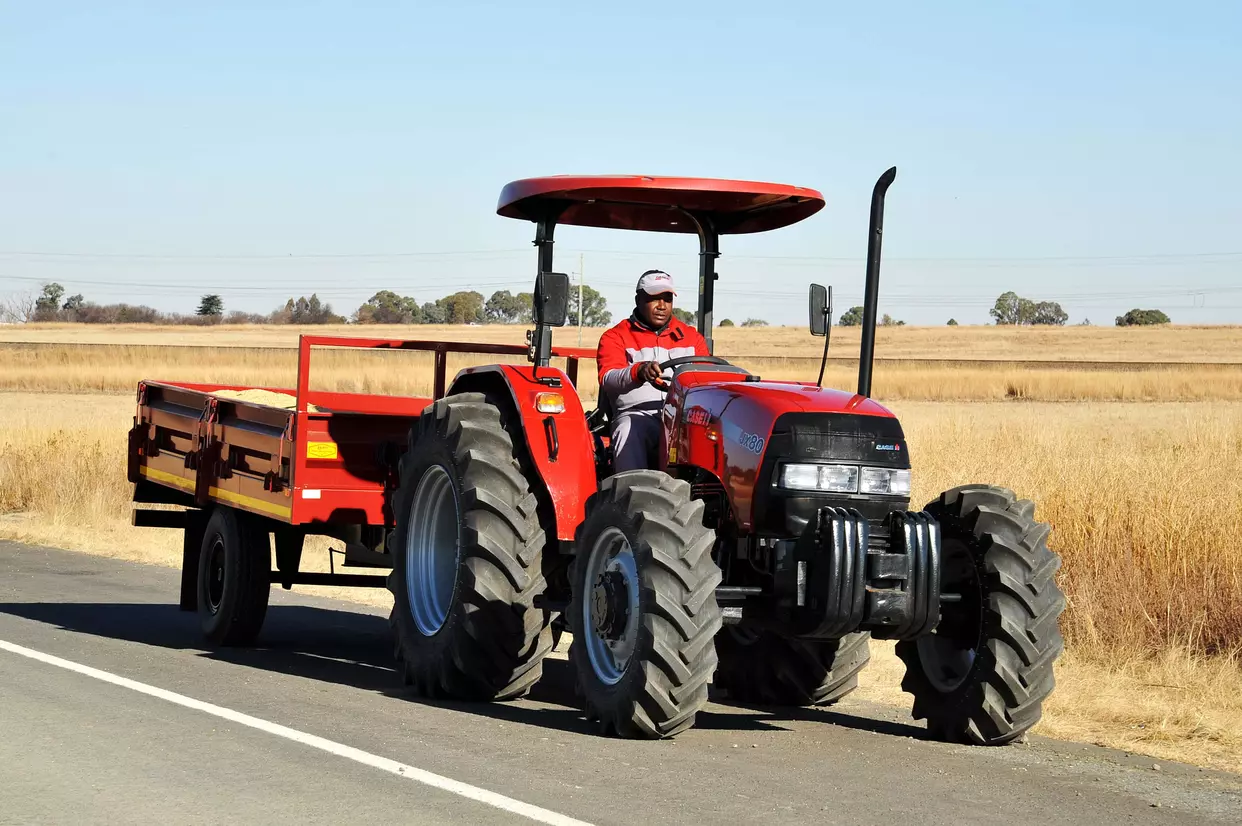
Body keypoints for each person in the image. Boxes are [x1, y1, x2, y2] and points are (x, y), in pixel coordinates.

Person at [596, 270, 710, 473]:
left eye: (667, 299)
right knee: (628, 429)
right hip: (640, 415)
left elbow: (707, 380)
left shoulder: (692, 338)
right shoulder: (616, 336)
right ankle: (631, 488)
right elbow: (608, 378)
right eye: (654, 298)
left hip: (683, 418)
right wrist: (638, 371)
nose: (662, 306)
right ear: (638, 299)